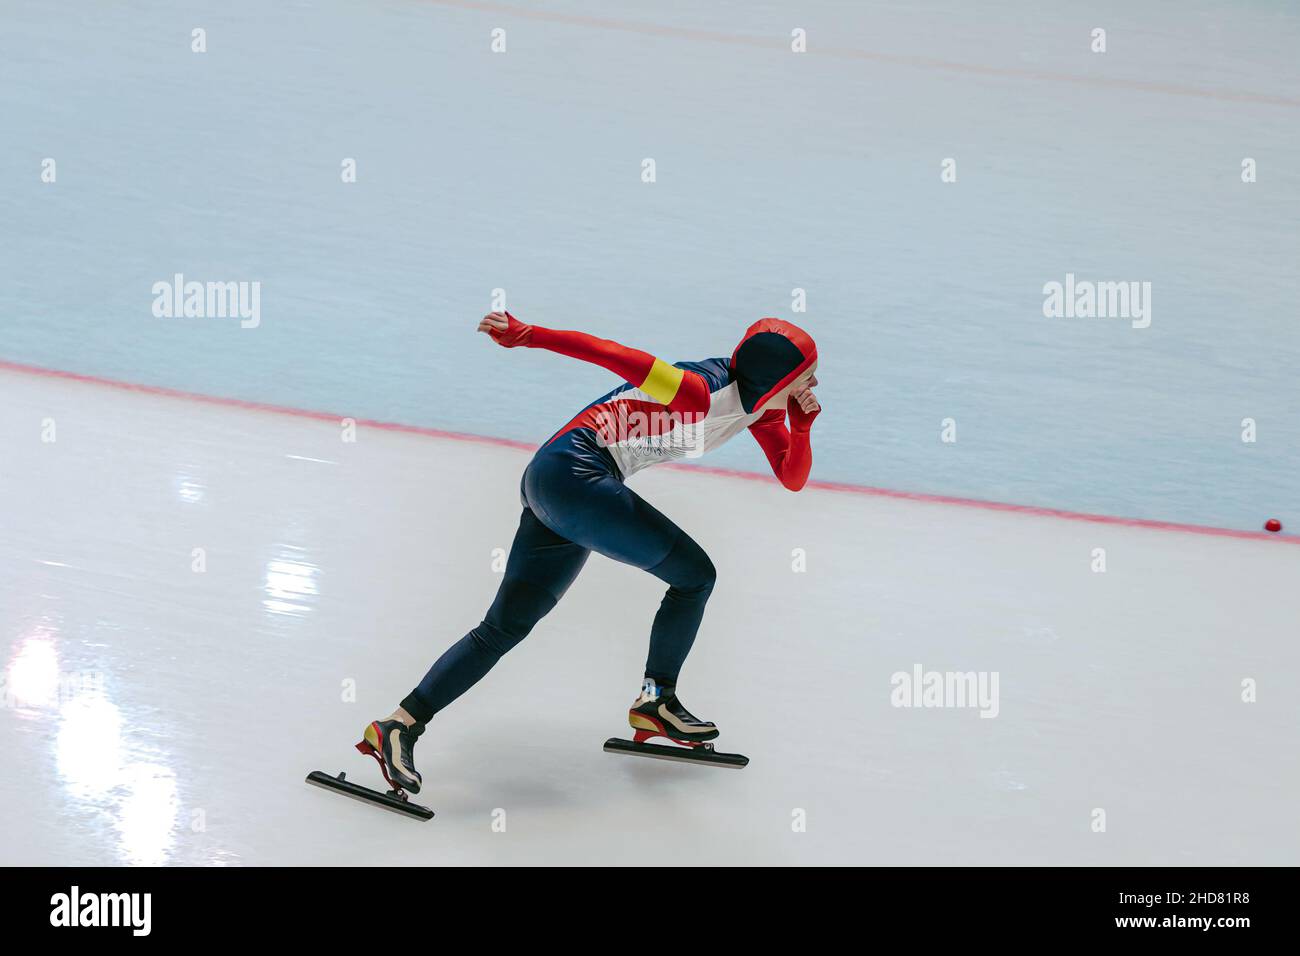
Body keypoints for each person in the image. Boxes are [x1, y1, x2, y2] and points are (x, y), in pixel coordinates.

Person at [357, 311, 820, 793]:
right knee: (695, 576)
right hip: (575, 475)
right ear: (781, 377)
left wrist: (801, 426)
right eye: (808, 372)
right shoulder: (697, 389)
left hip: (558, 481)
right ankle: (656, 701)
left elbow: (792, 478)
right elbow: (612, 354)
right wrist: (528, 335)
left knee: (505, 626)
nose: (815, 381)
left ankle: (399, 725)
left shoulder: (763, 408)